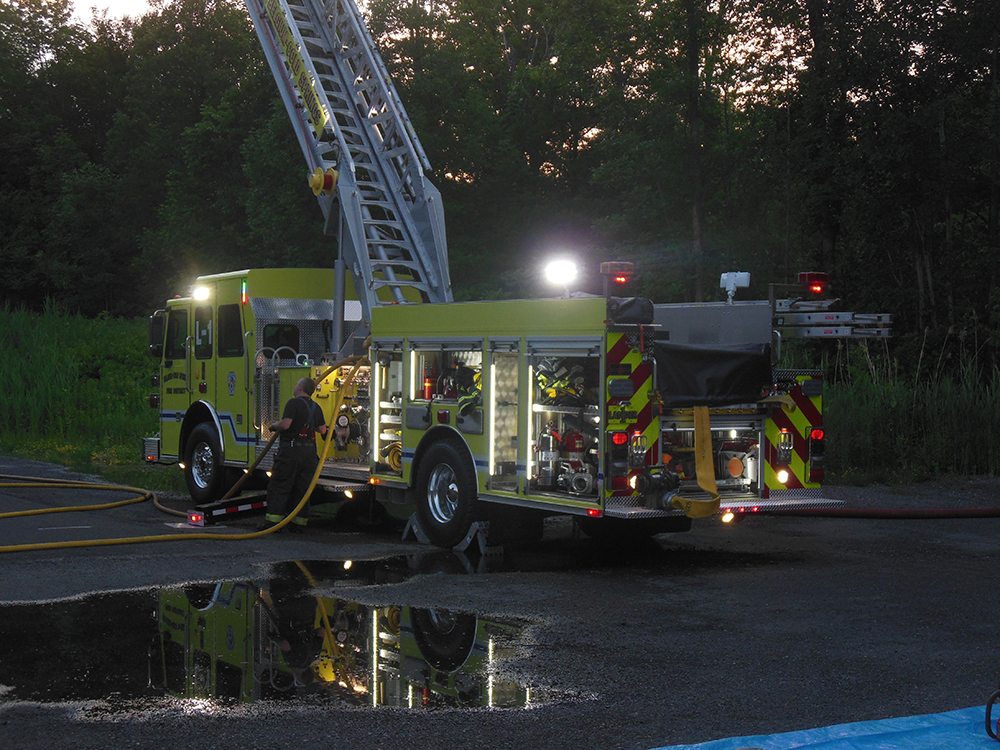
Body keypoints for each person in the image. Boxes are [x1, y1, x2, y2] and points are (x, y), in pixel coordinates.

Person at [259, 377, 328, 533]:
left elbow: (286, 424)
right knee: (302, 490)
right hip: (310, 455)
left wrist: (273, 426)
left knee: (280, 486)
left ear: (301, 388)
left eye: (297, 383)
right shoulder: (316, 407)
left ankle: (272, 524)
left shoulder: (293, 403)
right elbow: (323, 430)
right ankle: (298, 525)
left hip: (291, 452)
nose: (295, 386)